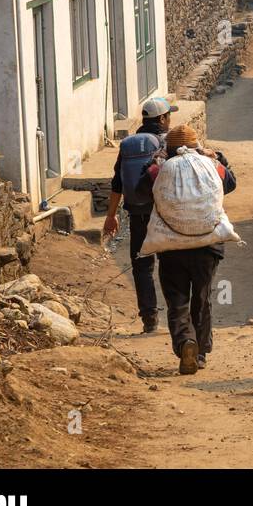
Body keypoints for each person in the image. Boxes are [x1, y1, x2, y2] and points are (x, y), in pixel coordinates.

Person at [136, 124, 236, 375]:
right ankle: (200, 354)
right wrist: (217, 157)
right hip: (208, 245)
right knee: (202, 299)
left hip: (172, 247)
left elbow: (140, 192)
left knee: (177, 300)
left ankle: (185, 342)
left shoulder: (160, 169)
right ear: (197, 147)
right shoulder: (211, 165)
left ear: (168, 149)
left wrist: (153, 161)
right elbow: (231, 183)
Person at [102, 96, 177, 333]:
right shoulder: (168, 142)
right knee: (170, 264)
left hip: (138, 216)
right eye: (169, 116)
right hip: (164, 215)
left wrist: (111, 216)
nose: (169, 120)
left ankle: (149, 319)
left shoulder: (128, 145)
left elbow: (117, 183)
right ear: (162, 118)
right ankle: (176, 315)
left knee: (142, 267)